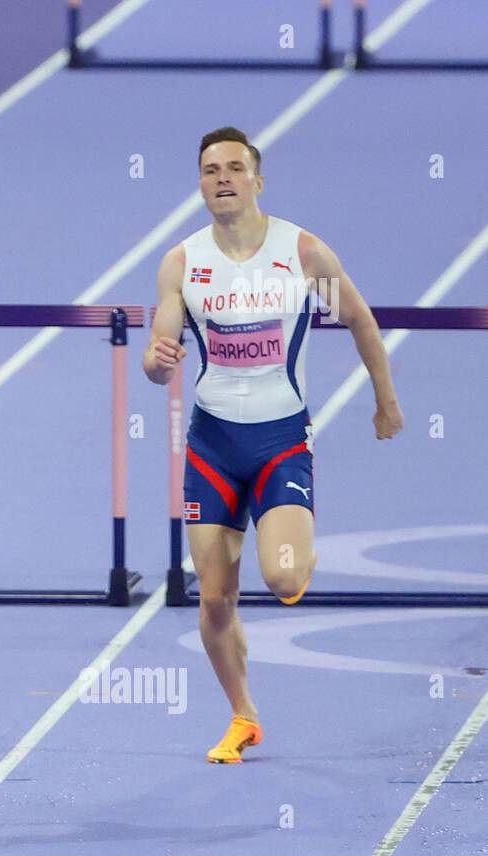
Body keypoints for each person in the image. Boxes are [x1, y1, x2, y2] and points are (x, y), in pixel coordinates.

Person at [144, 126, 404, 763]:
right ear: (201, 184)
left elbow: (361, 320)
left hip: (281, 442)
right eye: (211, 170)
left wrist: (386, 399)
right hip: (211, 445)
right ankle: (243, 714)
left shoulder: (303, 253)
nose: (223, 178)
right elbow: (159, 356)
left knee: (284, 578)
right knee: (212, 599)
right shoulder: (182, 263)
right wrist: (157, 361)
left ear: (258, 181)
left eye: (235, 167)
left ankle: (293, 529)